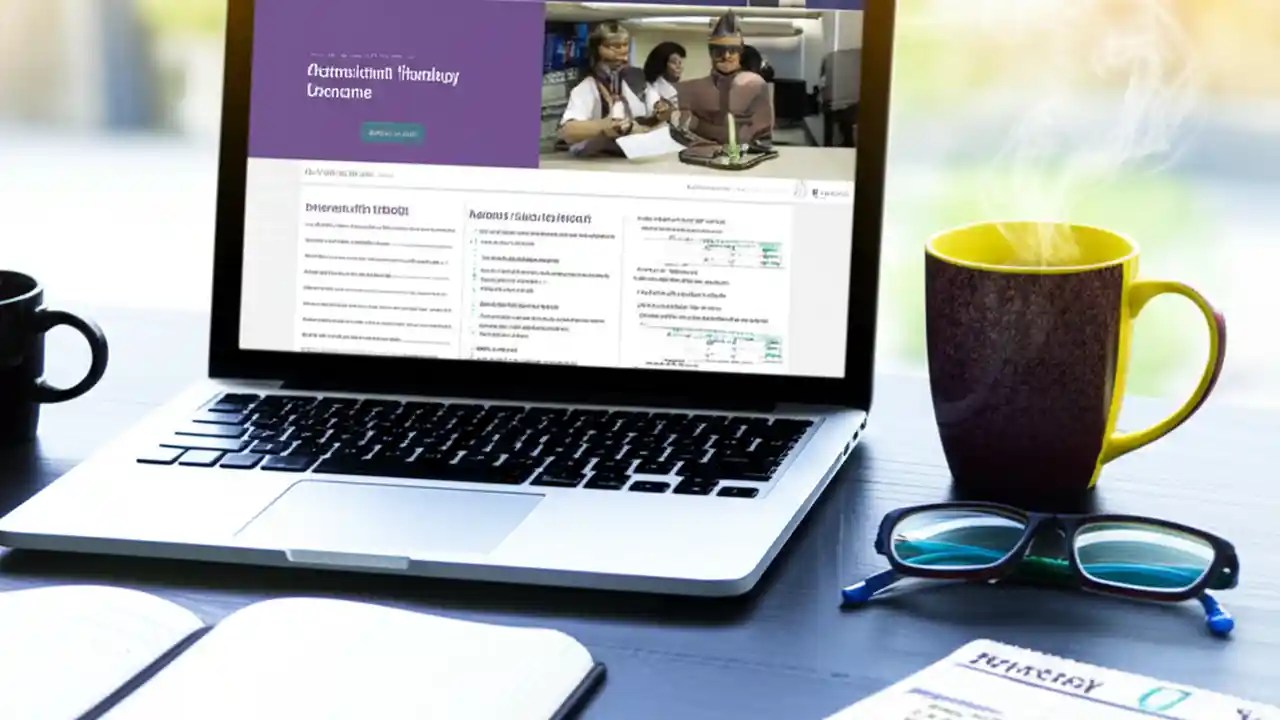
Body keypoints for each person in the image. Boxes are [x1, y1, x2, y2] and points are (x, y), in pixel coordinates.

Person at [557, 22, 673, 156]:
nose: (623, 58)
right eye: (615, 47)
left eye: (625, 47)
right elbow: (568, 131)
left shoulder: (637, 80)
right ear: (598, 52)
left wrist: (663, 110)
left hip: (637, 156)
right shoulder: (588, 87)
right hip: (599, 161)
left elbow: (657, 110)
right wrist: (608, 126)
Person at [672, 11, 773, 149]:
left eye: (732, 50)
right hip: (702, 161)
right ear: (710, 53)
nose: (726, 56)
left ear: (740, 53)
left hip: (746, 161)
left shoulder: (754, 86)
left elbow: (746, 136)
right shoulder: (689, 90)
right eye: (719, 51)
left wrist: (696, 124)